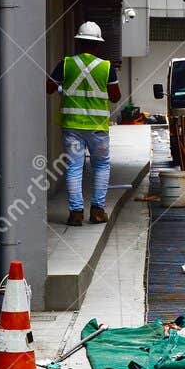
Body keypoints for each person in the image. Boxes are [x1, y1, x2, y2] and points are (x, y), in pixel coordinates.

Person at [48, 21, 122, 226]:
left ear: (78, 42)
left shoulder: (66, 64)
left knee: (73, 168)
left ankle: (76, 214)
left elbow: (49, 88)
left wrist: (65, 89)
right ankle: (98, 212)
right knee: (101, 166)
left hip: (72, 126)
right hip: (98, 128)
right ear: (98, 45)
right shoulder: (106, 67)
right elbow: (116, 97)